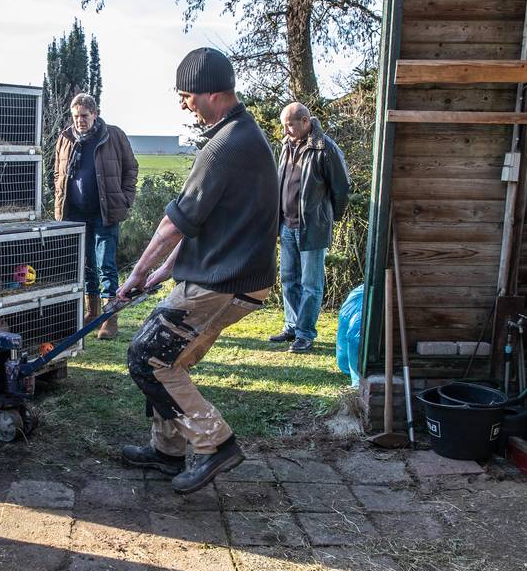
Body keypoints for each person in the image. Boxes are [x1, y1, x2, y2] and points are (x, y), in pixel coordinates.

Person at [117, 48, 281, 494]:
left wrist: (135, 274)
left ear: (213, 93)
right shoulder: (239, 135)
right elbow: (206, 223)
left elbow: (175, 222)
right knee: (164, 357)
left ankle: (216, 442)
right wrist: (165, 271)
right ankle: (167, 451)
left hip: (224, 283)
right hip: (223, 276)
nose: (184, 104)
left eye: (187, 95)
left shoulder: (226, 146)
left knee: (147, 357)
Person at [53, 93, 139, 339]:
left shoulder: (113, 135)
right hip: (75, 213)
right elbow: (57, 171)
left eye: (84, 116)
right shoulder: (66, 138)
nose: (79, 121)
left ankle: (110, 319)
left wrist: (125, 198)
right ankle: (92, 312)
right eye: (76, 116)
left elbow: (131, 167)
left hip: (105, 212)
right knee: (86, 265)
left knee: (106, 265)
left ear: (95, 114)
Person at [267, 102, 351, 353]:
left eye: (290, 125)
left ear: (305, 122)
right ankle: (292, 326)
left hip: (312, 228)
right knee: (288, 280)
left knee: (311, 284)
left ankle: (305, 334)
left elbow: (342, 187)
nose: (285, 131)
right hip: (286, 225)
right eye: (284, 126)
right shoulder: (286, 146)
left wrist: (329, 218)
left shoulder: (325, 149)